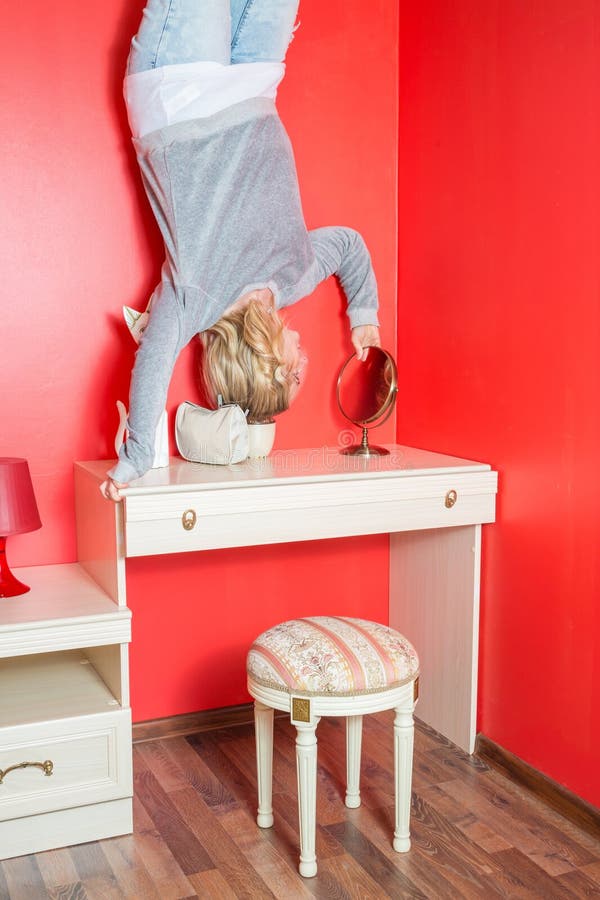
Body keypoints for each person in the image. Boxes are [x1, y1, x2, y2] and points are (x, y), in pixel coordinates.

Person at [101, 0, 381, 502]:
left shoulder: (196, 299)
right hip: (254, 86)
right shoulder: (295, 276)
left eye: (294, 376)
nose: (306, 364)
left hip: (179, 93)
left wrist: (139, 454)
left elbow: (153, 363)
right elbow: (350, 246)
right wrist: (365, 316)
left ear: (267, 366)